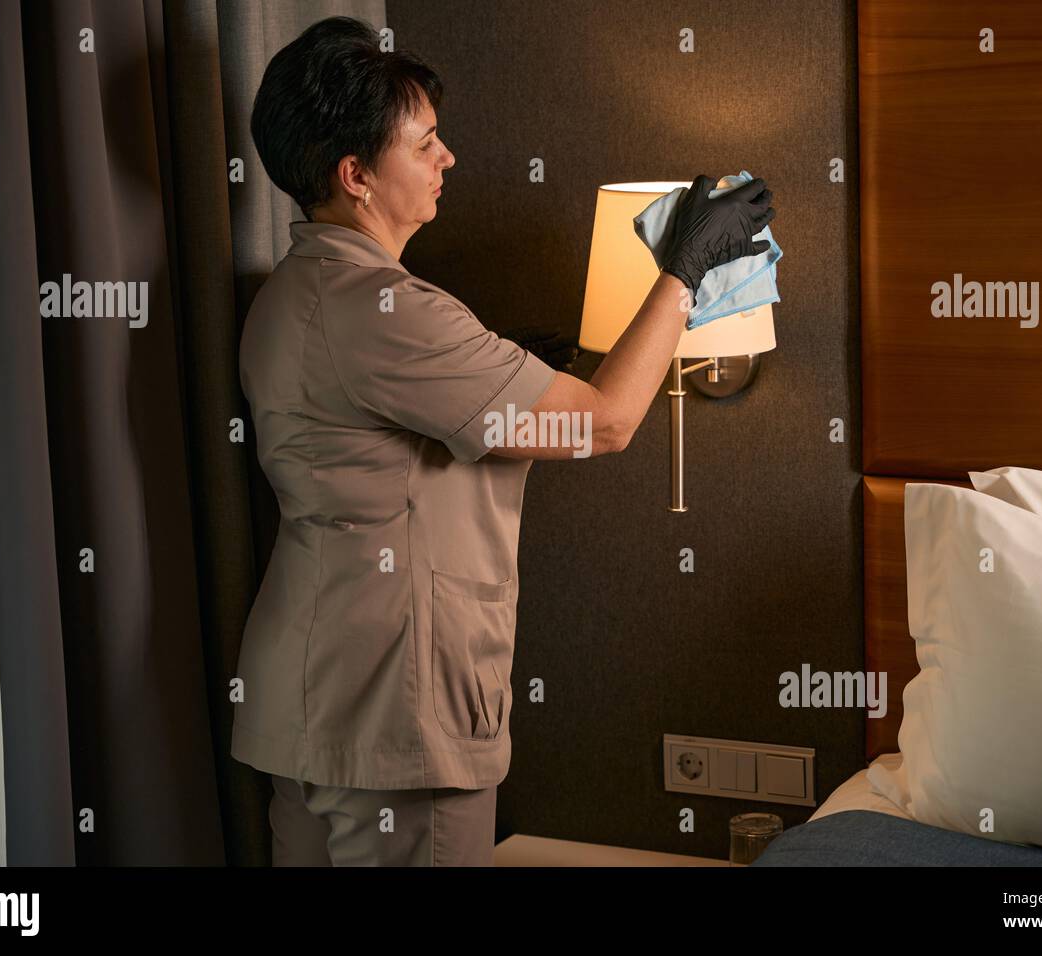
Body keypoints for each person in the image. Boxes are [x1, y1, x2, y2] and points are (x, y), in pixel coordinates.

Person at [232, 15, 775, 866]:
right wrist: (685, 271)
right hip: (397, 719)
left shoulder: (292, 293)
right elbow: (607, 421)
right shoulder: (393, 312)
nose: (447, 158)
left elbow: (382, 430)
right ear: (356, 176)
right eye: (426, 144)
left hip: (304, 707)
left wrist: (512, 366)